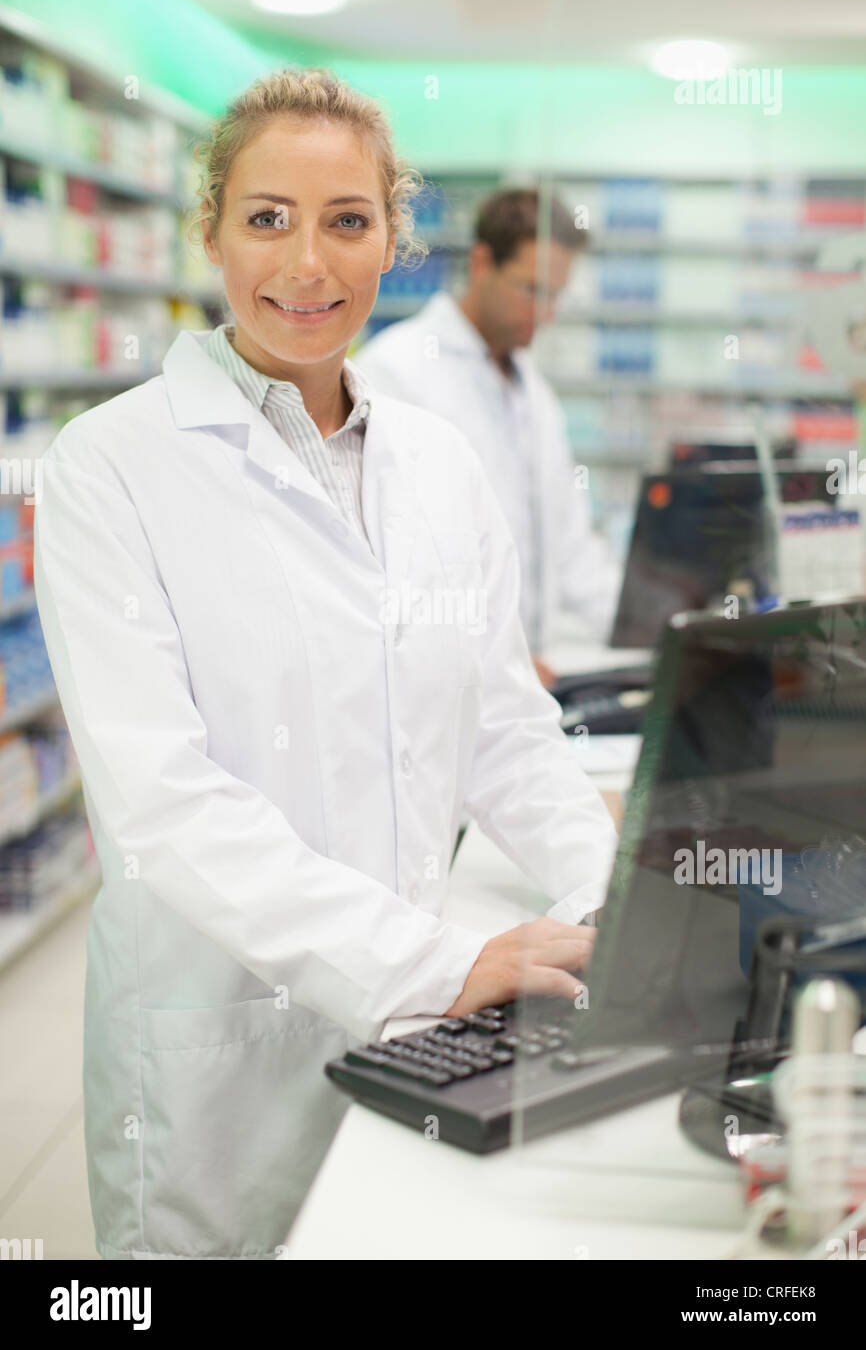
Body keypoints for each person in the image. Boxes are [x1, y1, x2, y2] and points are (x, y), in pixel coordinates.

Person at [33, 67, 617, 1261]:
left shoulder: (439, 465)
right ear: (208, 230)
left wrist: (613, 895)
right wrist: (434, 959)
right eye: (266, 218)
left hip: (424, 1033)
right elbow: (164, 805)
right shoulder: (108, 468)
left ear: (392, 238)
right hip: (216, 1056)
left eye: (347, 220)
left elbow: (502, 725)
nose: (306, 263)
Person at [355, 188, 622, 687]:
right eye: (531, 290)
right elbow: (388, 568)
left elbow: (572, 553)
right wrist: (496, 661)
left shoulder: (535, 392)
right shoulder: (396, 371)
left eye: (556, 297)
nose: (545, 315)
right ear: (482, 262)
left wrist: (657, 634)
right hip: (443, 685)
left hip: (532, 685)